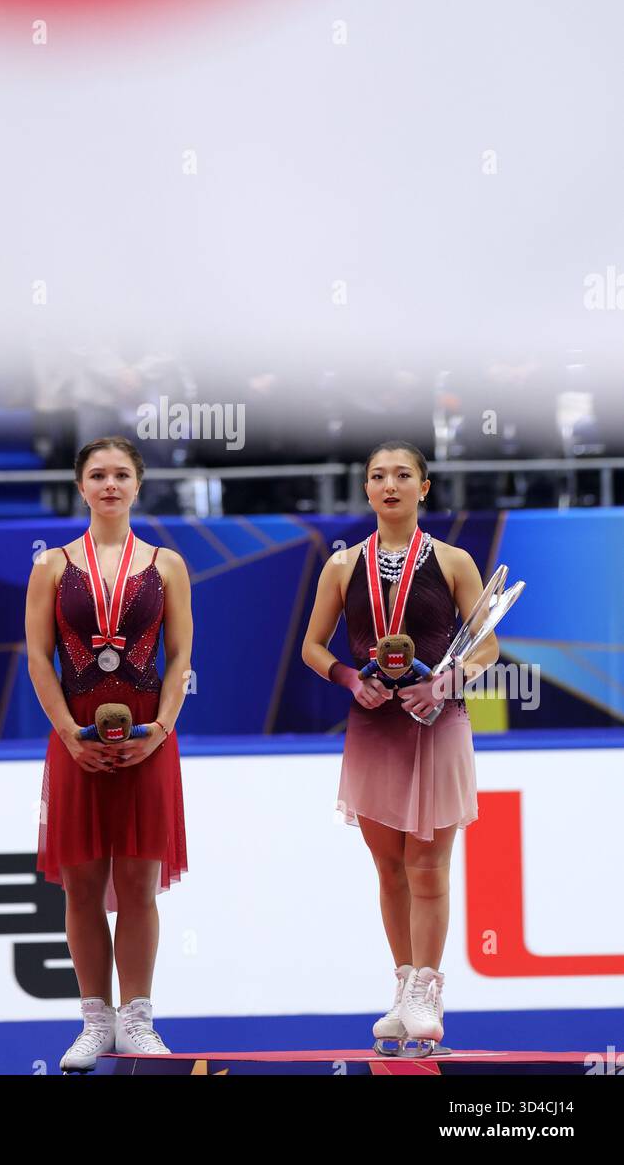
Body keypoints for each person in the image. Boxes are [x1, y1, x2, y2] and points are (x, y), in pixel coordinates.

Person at [301, 441, 498, 1053]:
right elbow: (313, 646)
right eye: (378, 476)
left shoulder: (455, 561)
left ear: (424, 487)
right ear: (366, 490)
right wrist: (351, 680)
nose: (390, 485)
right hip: (376, 729)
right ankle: (404, 985)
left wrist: (444, 683)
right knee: (388, 869)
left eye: (402, 475)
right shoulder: (341, 567)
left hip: (437, 725)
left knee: (427, 867)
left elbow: (487, 647)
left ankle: (427, 991)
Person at [25, 435, 192, 1072]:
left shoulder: (167, 565)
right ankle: (95, 1019)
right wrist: (69, 732)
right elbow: (40, 656)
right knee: (84, 887)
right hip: (77, 743)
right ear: (81, 486)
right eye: (98, 475)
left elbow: (179, 657)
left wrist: (163, 727)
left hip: (150, 743)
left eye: (121, 474)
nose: (110, 485)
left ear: (138, 484)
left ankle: (138, 1018)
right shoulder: (52, 567)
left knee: (140, 887)